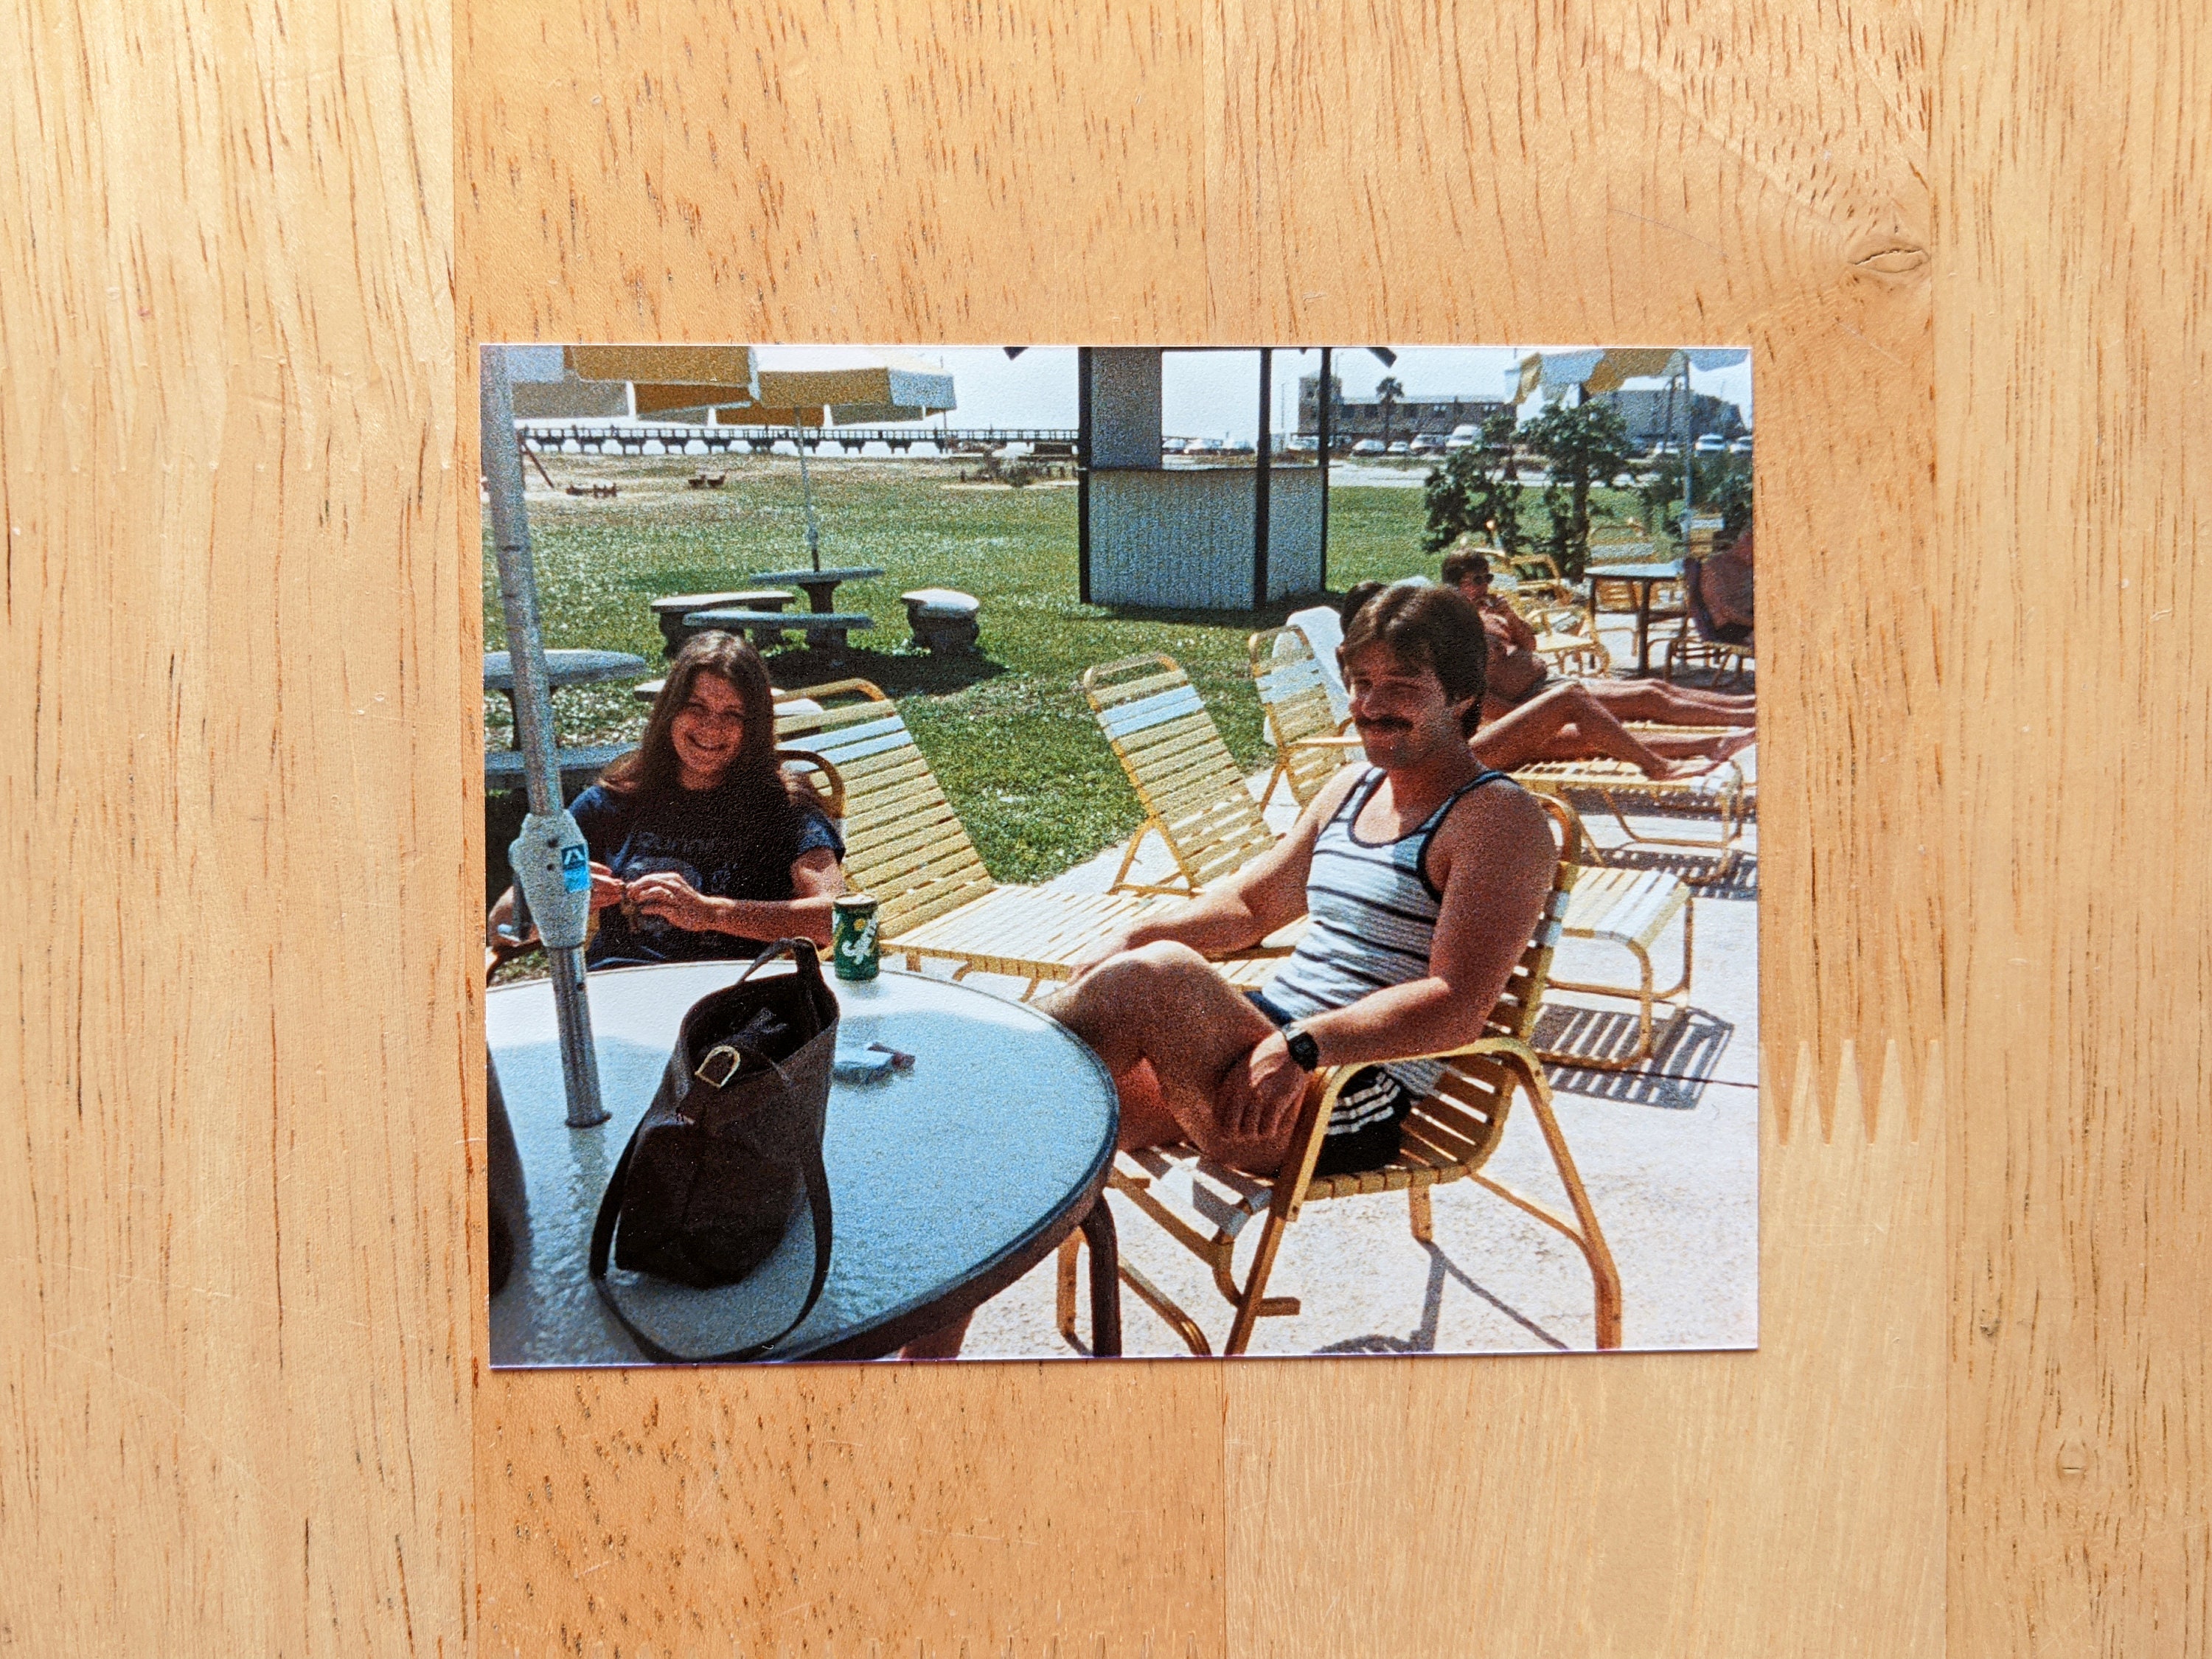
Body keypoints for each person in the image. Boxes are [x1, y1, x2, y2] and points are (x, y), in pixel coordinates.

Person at [899, 583, 1557, 1357]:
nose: (1372, 706)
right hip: (1263, 1052)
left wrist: (1304, 1046)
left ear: (1465, 694)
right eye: (1362, 682)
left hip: (1345, 1095)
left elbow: (1455, 1007)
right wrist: (1134, 931)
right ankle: (921, 1353)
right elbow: (1250, 907)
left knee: (1158, 980)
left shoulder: (1498, 820)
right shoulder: (1350, 790)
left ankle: (940, 1105)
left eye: (1402, 688)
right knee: (1027, 1137)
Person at [485, 631, 844, 967]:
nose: (711, 727)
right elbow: (501, 928)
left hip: (726, 1004)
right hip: (616, 996)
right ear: (670, 712)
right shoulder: (610, 806)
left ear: (754, 728)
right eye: (696, 707)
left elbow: (837, 917)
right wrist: (556, 898)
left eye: (732, 714)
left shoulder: (782, 807)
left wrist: (711, 913)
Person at [1338, 578, 1750, 779]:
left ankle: (1710, 741)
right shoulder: (1362, 667)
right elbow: (1472, 706)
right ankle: (1664, 764)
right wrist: (1528, 715)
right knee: (1580, 719)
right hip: (1457, 750)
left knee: (1591, 726)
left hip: (1458, 739)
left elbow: (1460, 698)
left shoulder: (1408, 657)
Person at [1436, 549, 1759, 731]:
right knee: (1648, 698)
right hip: (1535, 700)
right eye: (1476, 580)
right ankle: (1747, 717)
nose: (1486, 585)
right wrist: (1527, 716)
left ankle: (1749, 705)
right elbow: (1474, 692)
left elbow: (1529, 646)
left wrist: (1510, 617)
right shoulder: (1455, 625)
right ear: (1455, 586)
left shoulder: (1492, 611)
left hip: (1549, 682)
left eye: (1488, 577)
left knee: (1655, 688)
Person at [1695, 524, 1756, 642]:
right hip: (1730, 627)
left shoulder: (1748, 567)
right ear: (1746, 541)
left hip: (1748, 621)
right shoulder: (1716, 567)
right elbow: (1725, 609)